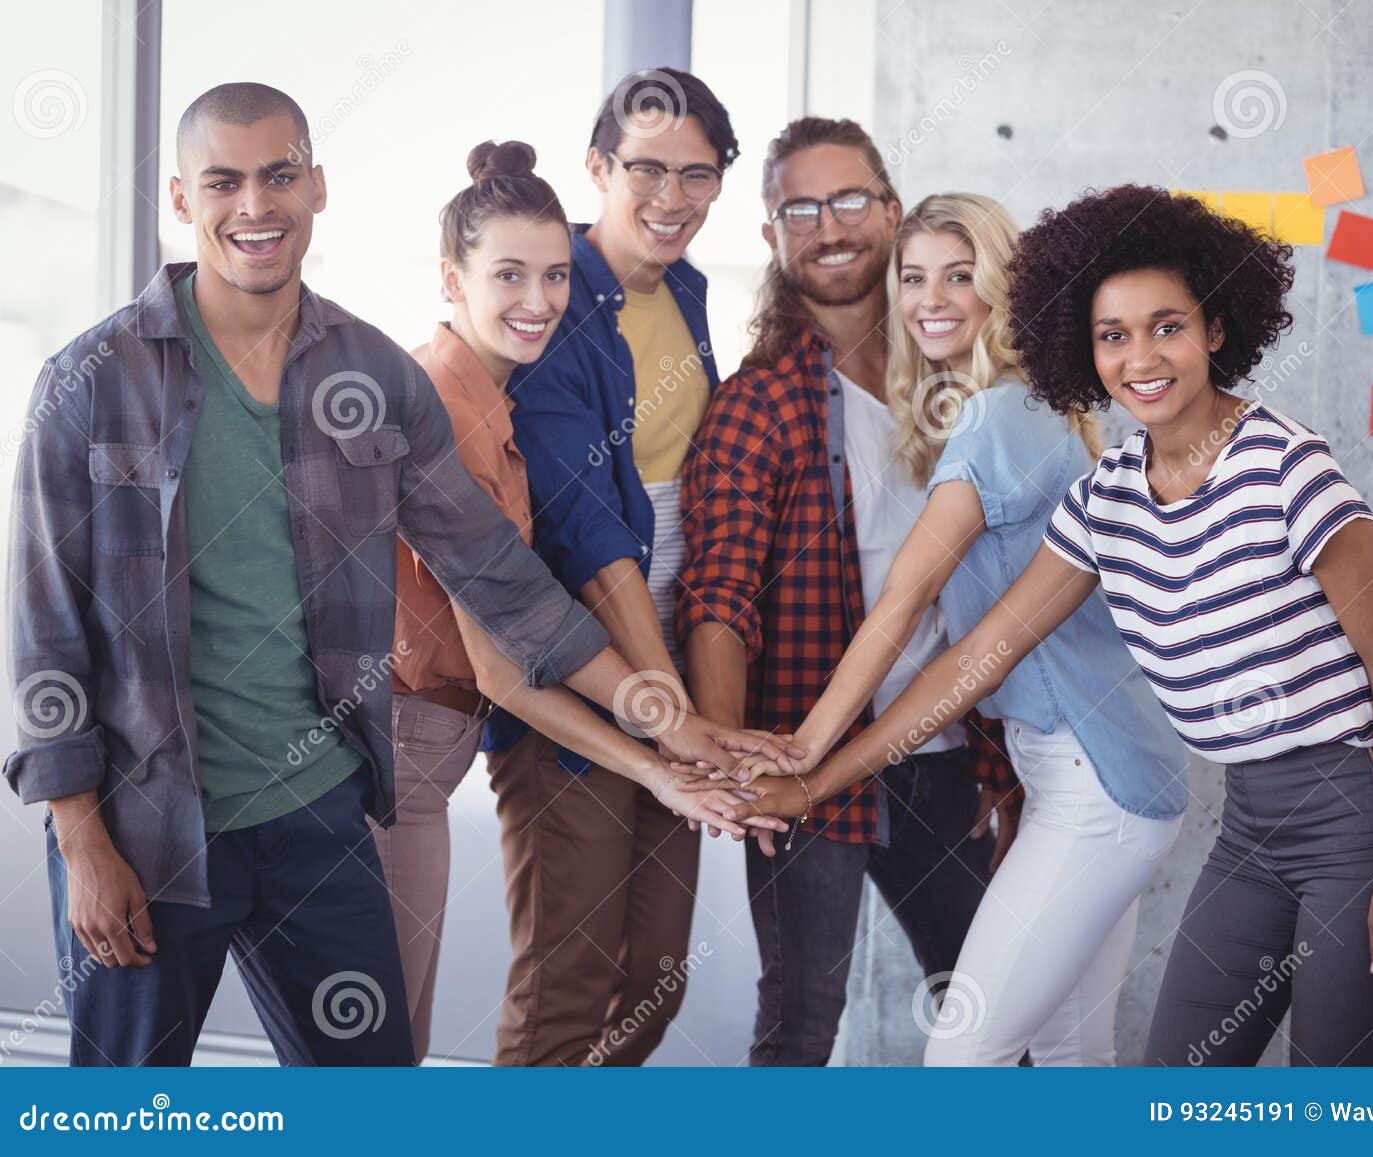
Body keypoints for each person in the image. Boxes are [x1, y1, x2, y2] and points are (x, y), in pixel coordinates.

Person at [4, 83, 788, 1068]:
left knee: (373, 1093)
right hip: (148, 824)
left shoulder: (372, 375)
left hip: (317, 815)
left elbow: (504, 584)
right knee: (124, 1112)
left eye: (280, 175)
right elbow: (44, 626)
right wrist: (80, 838)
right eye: (224, 182)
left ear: (317, 186)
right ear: (179, 197)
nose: (256, 205)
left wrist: (676, 725)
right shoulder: (92, 379)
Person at [722, 184, 1373, 1067]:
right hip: (1246, 825)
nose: (1140, 357)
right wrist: (816, 781)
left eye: (1166, 327)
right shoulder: (1105, 498)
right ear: (1085, 346)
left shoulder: (1287, 466)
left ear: (1217, 329)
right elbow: (977, 657)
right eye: (1113, 335)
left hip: (1357, 811)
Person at [701, 192, 1191, 1066]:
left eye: (959, 276)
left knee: (965, 1055)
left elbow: (907, 603)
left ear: (1001, 289)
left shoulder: (999, 416)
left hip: (1095, 778)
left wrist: (809, 753)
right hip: (1096, 771)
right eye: (914, 276)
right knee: (1073, 1056)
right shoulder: (1010, 408)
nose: (931, 299)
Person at [381, 139, 784, 1060]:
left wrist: (675, 724)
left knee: (630, 990)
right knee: (391, 1049)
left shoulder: (498, 396)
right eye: (509, 275)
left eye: (556, 275)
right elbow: (508, 661)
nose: (539, 300)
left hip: (446, 742)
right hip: (395, 750)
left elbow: (533, 615)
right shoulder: (445, 409)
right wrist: (660, 749)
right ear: (451, 277)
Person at [678, 119, 1017, 1067]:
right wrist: (733, 763)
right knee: (801, 1022)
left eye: (850, 199)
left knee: (991, 1013)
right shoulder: (761, 402)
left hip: (942, 756)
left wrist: (1001, 760)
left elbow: (992, 595)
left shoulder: (961, 385)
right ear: (772, 234)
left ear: (892, 210)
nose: (828, 226)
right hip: (803, 760)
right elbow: (718, 598)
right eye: (800, 209)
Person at [481, 68, 753, 1067]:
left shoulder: (686, 289)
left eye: (697, 173)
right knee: (567, 990)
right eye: (646, 169)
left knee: (652, 984)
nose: (671, 196)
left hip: (668, 661)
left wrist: (692, 701)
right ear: (597, 167)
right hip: (582, 680)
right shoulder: (555, 301)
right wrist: (669, 712)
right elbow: (591, 537)